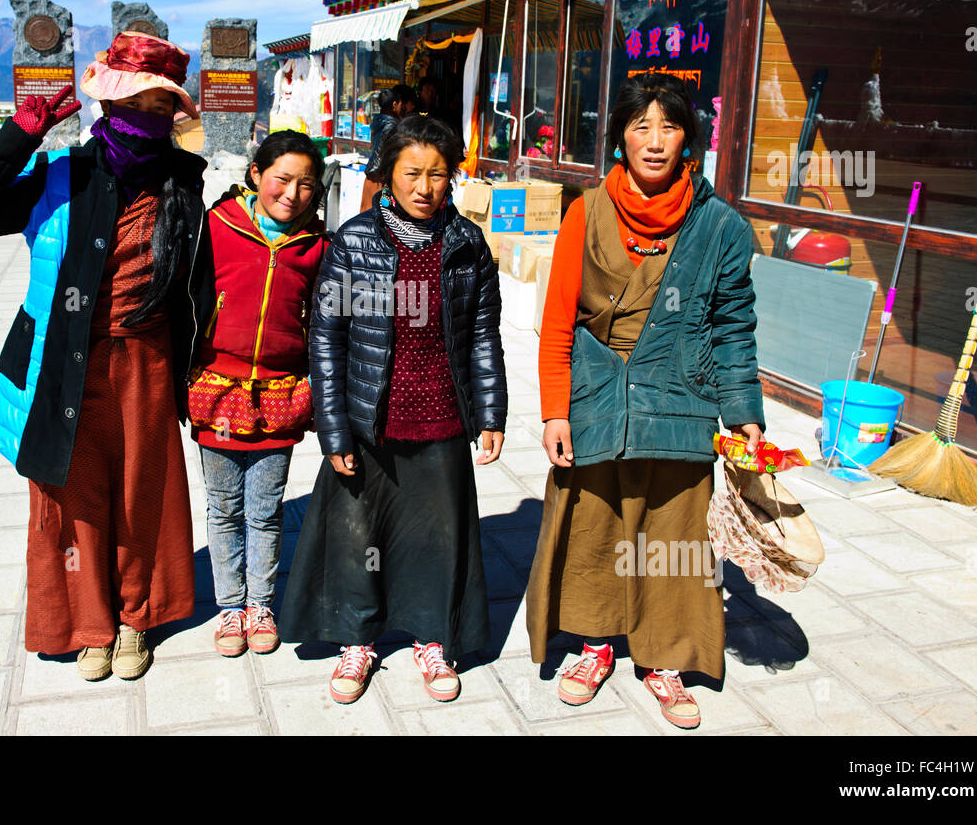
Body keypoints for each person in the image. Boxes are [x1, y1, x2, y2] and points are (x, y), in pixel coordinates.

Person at [0, 31, 211, 683]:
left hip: (146, 363)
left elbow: (197, 286)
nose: (144, 117)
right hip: (65, 363)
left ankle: (136, 617)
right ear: (108, 107)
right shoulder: (60, 176)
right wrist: (14, 138)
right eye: (133, 102)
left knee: (140, 493)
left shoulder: (182, 182)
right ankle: (90, 624)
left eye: (159, 106)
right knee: (75, 496)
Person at [524, 72, 765, 729]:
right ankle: (597, 643)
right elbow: (557, 322)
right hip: (598, 396)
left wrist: (743, 413)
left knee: (672, 537)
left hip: (681, 396)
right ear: (621, 138)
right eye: (640, 127)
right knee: (597, 528)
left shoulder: (720, 227)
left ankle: (662, 657)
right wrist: (553, 411)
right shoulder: (586, 211)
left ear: (690, 136)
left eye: (668, 126)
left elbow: (733, 326)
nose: (654, 142)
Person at [278, 114, 507, 705]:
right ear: (387, 174)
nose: (425, 187)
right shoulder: (353, 242)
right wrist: (333, 428)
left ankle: (433, 636)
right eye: (412, 173)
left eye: (438, 174)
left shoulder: (466, 244)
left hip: (442, 417)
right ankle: (358, 637)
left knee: (437, 535)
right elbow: (326, 340)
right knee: (360, 535)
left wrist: (491, 413)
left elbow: (484, 335)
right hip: (368, 418)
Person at [192, 130, 328, 657]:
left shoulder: (317, 246)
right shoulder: (215, 228)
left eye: (305, 185)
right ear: (255, 175)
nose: (292, 194)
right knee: (223, 507)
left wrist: (319, 383)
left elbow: (326, 319)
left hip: (281, 394)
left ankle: (261, 604)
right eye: (282, 179)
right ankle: (229, 608)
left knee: (265, 510)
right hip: (216, 390)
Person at [359, 84, 417, 212]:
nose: (405, 107)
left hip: (372, 177)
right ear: (395, 105)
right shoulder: (393, 126)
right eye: (402, 103)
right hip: (380, 180)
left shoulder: (378, 121)